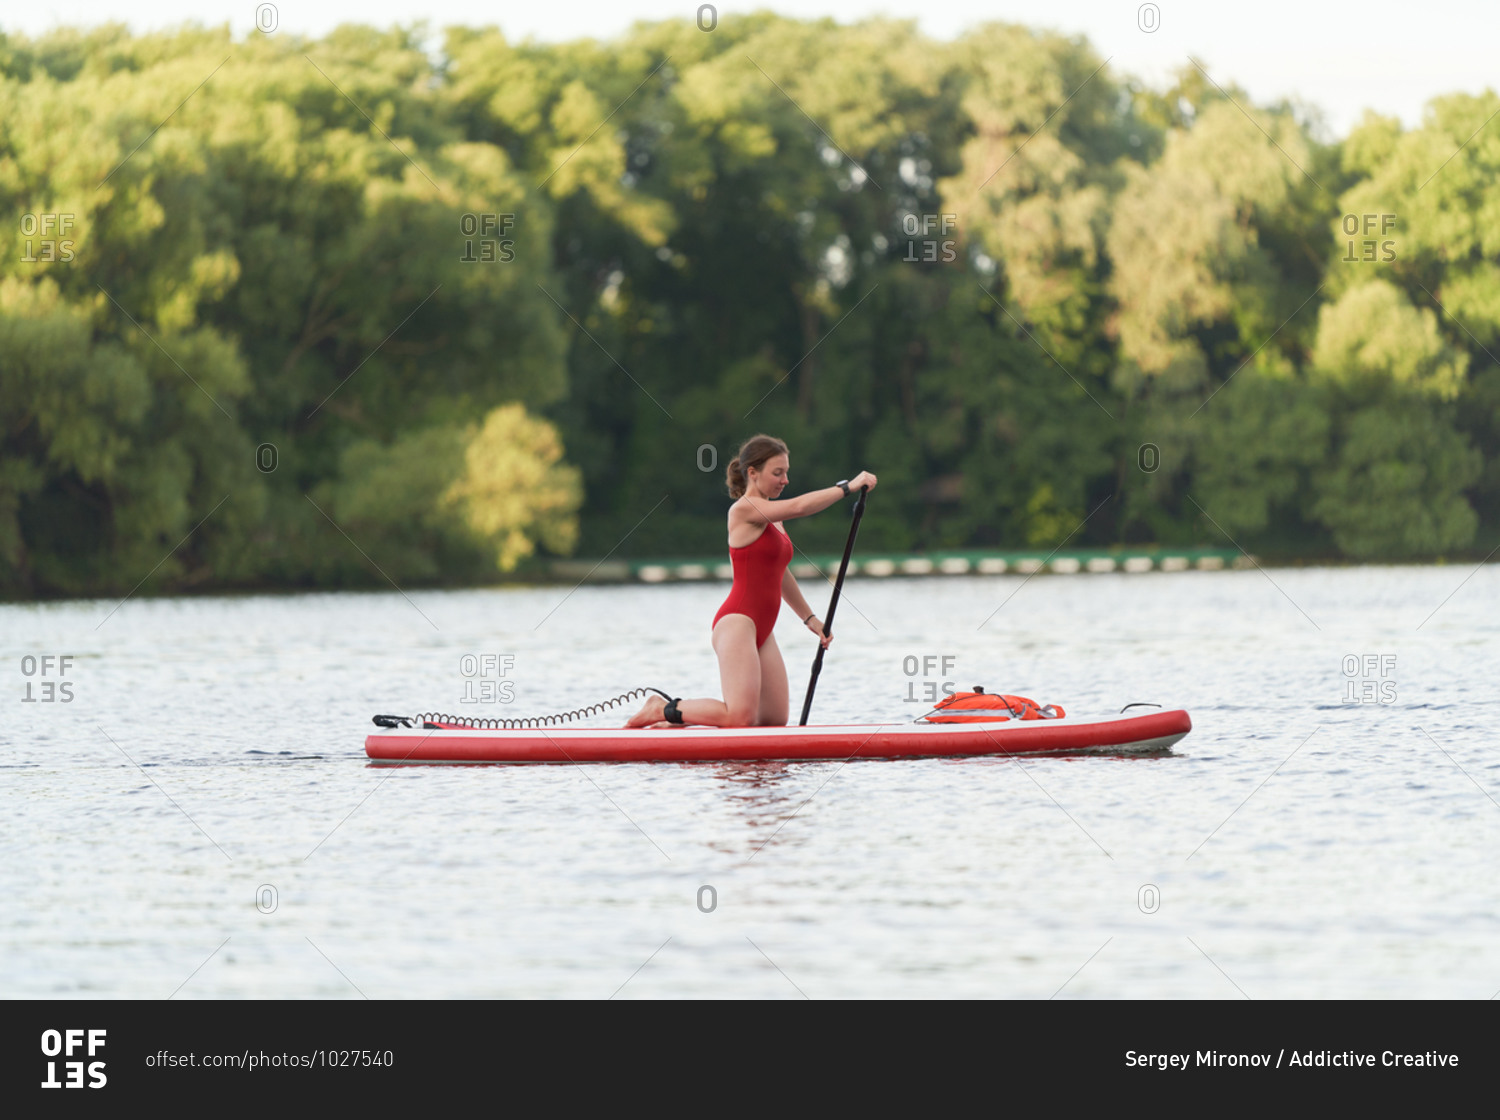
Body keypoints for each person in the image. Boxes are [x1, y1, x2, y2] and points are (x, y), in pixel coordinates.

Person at [627, 434, 877, 729]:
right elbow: (798, 507)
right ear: (753, 473)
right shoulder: (744, 510)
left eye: (786, 472)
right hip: (737, 623)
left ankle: (680, 724)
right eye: (777, 472)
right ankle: (662, 709)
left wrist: (810, 618)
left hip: (763, 629)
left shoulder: (773, 516)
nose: (785, 480)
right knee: (740, 717)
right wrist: (847, 487)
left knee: (773, 719)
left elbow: (779, 570)